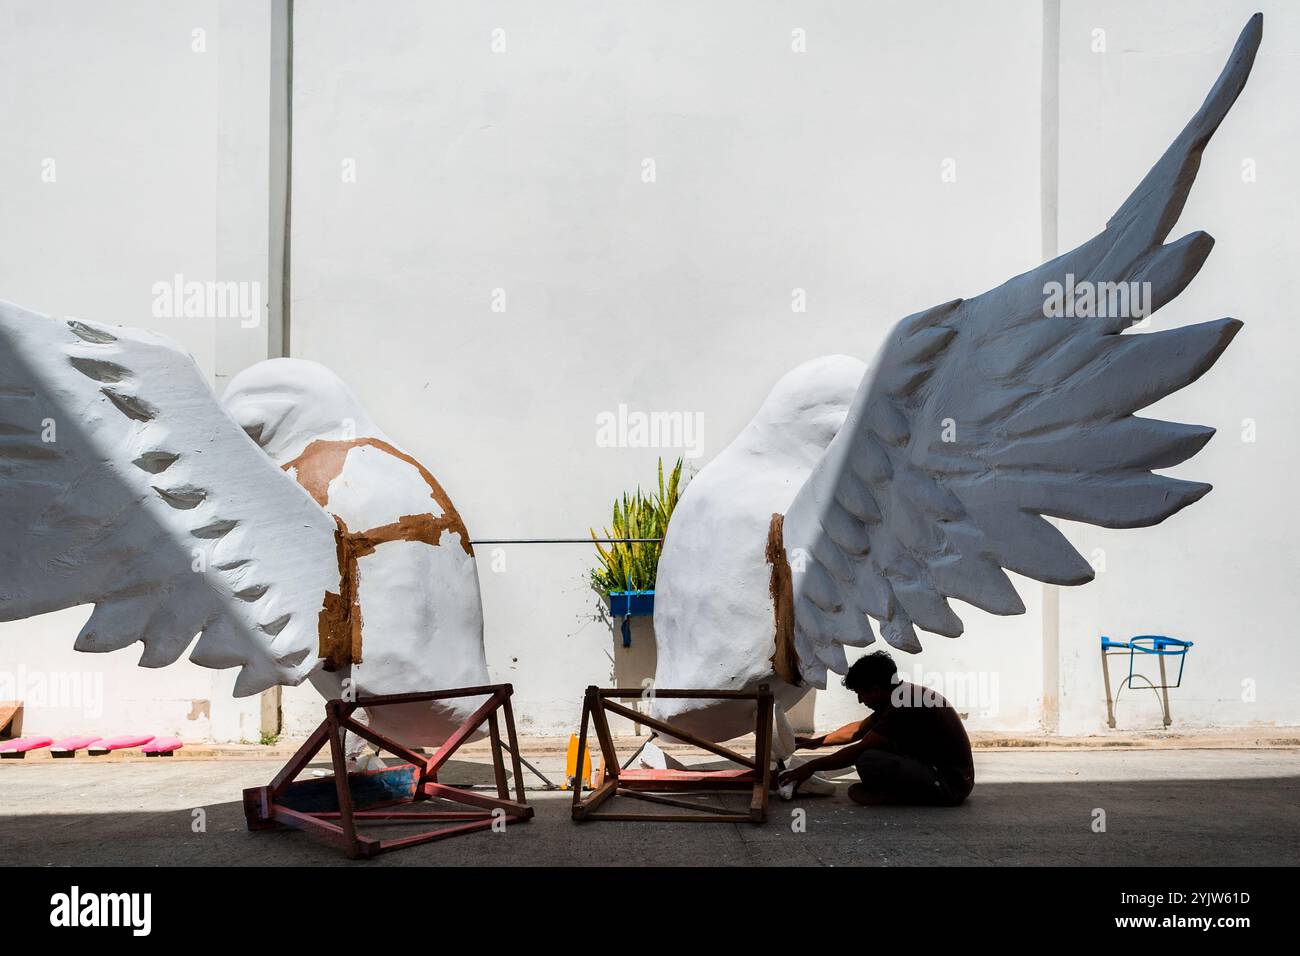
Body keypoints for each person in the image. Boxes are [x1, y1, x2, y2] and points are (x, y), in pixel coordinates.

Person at [777, 650, 974, 806]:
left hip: (950, 786)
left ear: (876, 689)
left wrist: (809, 767)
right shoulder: (902, 695)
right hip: (951, 779)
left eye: (861, 693)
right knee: (871, 763)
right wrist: (815, 743)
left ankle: (902, 797)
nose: (860, 700)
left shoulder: (904, 705)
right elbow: (858, 729)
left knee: (869, 759)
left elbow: (860, 748)